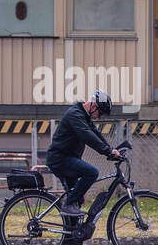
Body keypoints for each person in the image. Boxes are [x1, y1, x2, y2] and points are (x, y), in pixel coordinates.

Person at [45, 89, 120, 217]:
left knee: (77, 201)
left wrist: (111, 150)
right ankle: (68, 204)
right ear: (93, 105)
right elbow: (88, 135)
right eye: (100, 113)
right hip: (60, 159)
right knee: (92, 172)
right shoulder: (75, 115)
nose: (99, 116)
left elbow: (96, 134)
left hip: (67, 159)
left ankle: (72, 236)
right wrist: (107, 151)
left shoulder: (84, 116)